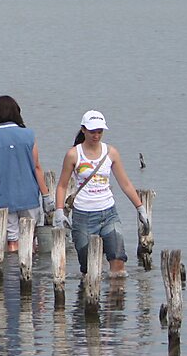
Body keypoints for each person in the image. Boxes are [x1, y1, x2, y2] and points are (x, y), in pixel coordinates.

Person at [55, 110, 149, 278]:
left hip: (108, 213)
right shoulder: (73, 154)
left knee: (118, 261)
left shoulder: (111, 152)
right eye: (92, 131)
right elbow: (62, 186)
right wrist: (59, 212)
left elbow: (125, 183)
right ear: (83, 130)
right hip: (83, 216)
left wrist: (140, 208)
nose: (96, 135)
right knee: (89, 269)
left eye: (100, 131)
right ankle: (90, 302)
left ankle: (115, 301)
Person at [0, 95, 52, 253]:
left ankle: (12, 274)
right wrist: (46, 196)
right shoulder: (29, 135)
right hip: (29, 196)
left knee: (12, 241)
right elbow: (37, 166)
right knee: (30, 239)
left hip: (4, 197)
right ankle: (29, 272)